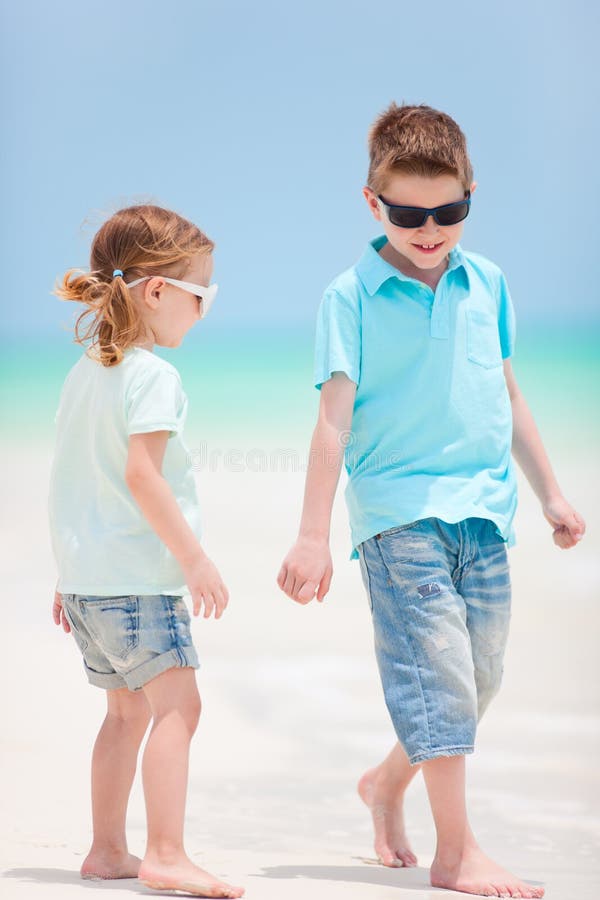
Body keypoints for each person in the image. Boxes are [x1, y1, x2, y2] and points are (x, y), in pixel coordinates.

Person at [277, 103, 585, 899]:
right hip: (397, 514)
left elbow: (507, 391)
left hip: (485, 511)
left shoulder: (490, 284)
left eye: (449, 211)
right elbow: (330, 422)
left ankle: (384, 783)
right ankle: (458, 852)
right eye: (410, 213)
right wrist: (312, 536)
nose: (429, 228)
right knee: (442, 679)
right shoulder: (351, 296)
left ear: (471, 194)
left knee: (477, 680)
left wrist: (551, 491)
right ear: (373, 202)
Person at [49, 204, 244, 899]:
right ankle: (164, 852)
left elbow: (75, 479)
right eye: (204, 295)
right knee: (178, 710)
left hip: (87, 585)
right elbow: (139, 475)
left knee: (123, 712)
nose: (204, 311)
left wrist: (69, 573)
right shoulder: (153, 376)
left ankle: (107, 850)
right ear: (158, 290)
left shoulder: (84, 374)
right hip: (137, 581)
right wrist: (194, 559)